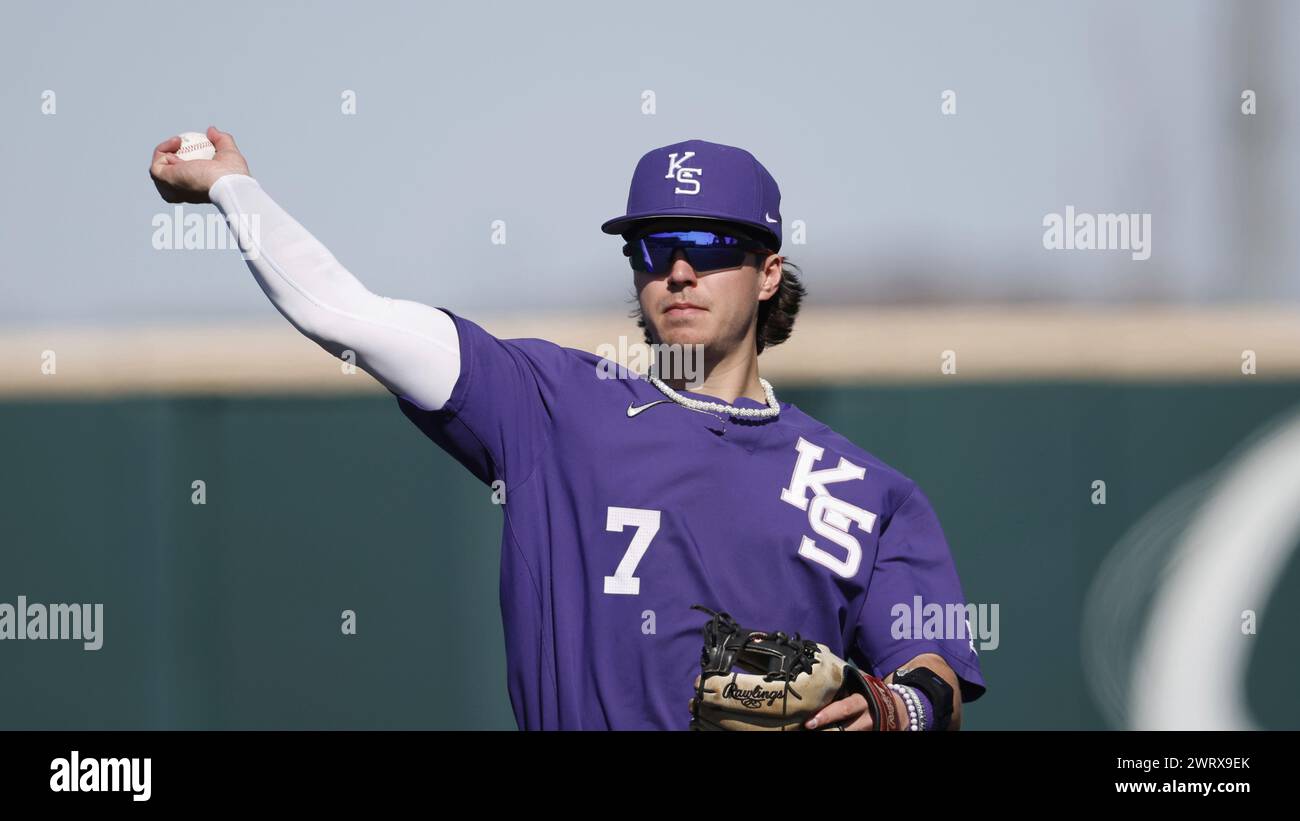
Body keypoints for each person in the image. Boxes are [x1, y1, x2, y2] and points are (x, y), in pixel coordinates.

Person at [151, 129, 985, 730]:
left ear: (769, 272)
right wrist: (234, 188)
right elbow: (350, 317)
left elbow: (937, 668)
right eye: (653, 247)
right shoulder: (553, 404)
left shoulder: (865, 492)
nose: (679, 269)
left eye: (707, 242)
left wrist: (896, 705)